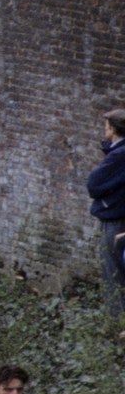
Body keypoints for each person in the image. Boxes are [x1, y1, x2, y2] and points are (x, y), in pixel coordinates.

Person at [85, 108, 125, 312]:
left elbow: (94, 183)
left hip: (114, 217)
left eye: (106, 127)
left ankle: (116, 321)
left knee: (113, 272)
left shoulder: (119, 155)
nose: (104, 130)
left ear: (114, 130)